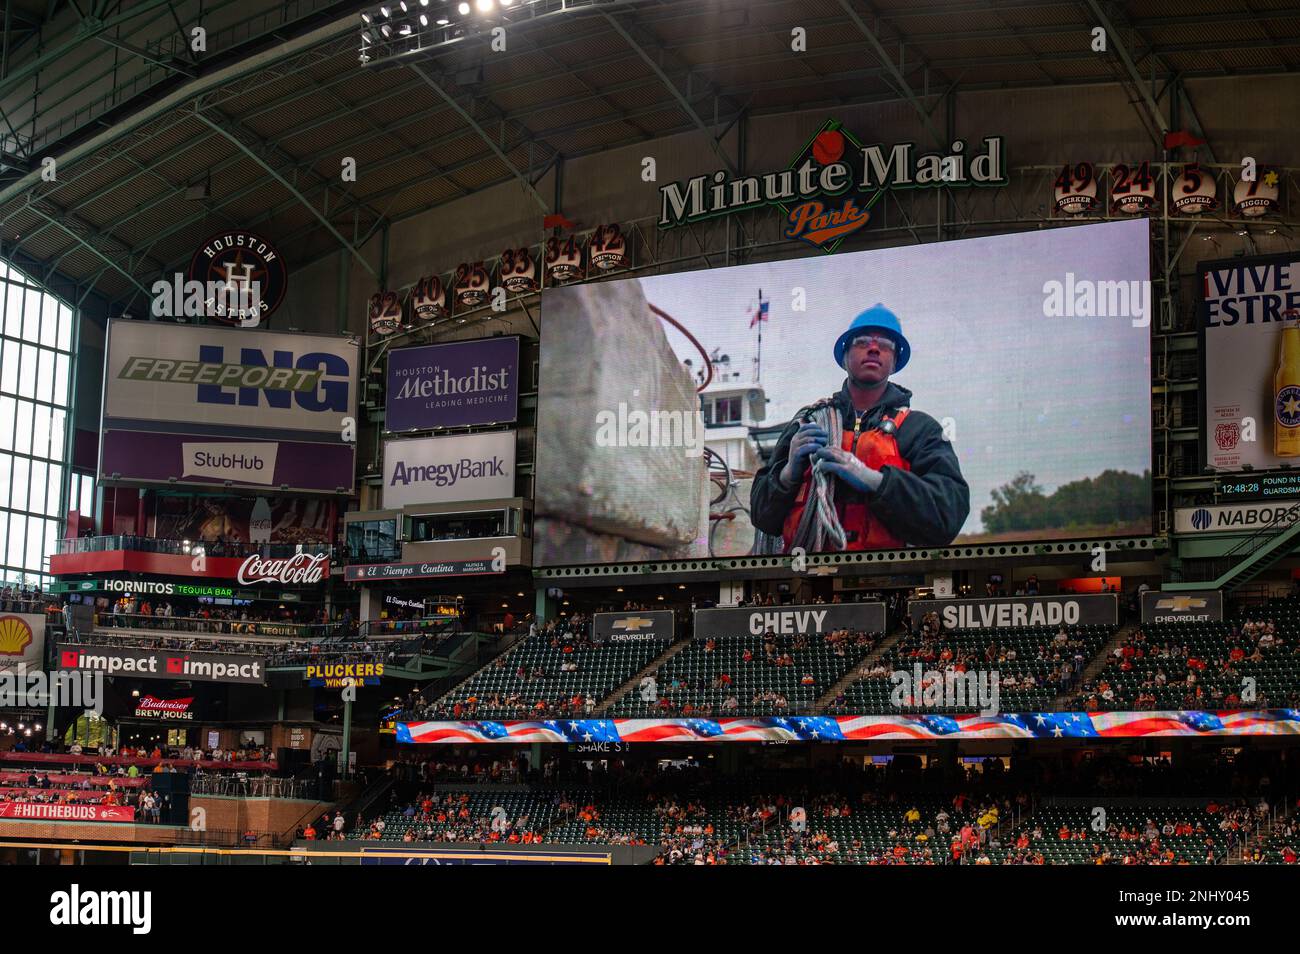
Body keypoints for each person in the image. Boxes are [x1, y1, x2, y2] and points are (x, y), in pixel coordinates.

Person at [750, 304, 969, 552]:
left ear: (895, 362)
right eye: (862, 342)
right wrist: (788, 474)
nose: (874, 348)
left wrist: (874, 481)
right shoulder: (807, 423)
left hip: (888, 579)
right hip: (807, 576)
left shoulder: (920, 430)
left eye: (886, 345)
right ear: (844, 357)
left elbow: (946, 518)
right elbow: (761, 518)